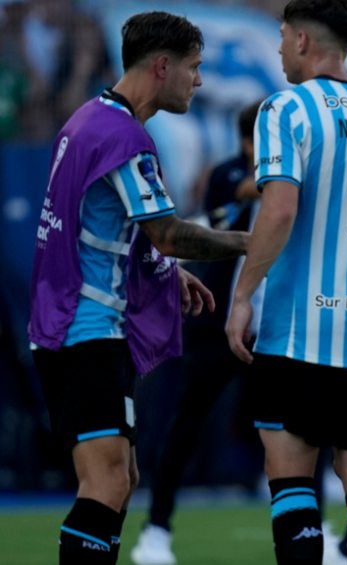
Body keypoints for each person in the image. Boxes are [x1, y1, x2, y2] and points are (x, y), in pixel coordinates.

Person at [26, 11, 249, 564]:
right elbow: (170, 233)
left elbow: (99, 225)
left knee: (120, 476)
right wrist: (257, 240)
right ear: (162, 66)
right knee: (105, 480)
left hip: (73, 322)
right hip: (85, 328)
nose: (198, 81)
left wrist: (164, 271)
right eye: (194, 68)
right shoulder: (123, 136)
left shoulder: (89, 120)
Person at [224, 1, 347, 564]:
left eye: (283, 36)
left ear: (305, 40)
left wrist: (241, 297)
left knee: (291, 479)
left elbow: (279, 210)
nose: (280, 47)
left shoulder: (285, 109)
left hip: (298, 330)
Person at [130, 99, 275, 565]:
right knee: (187, 423)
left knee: (295, 427)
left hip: (273, 323)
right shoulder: (228, 174)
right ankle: (156, 528)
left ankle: (315, 526)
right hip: (216, 322)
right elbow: (252, 191)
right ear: (250, 141)